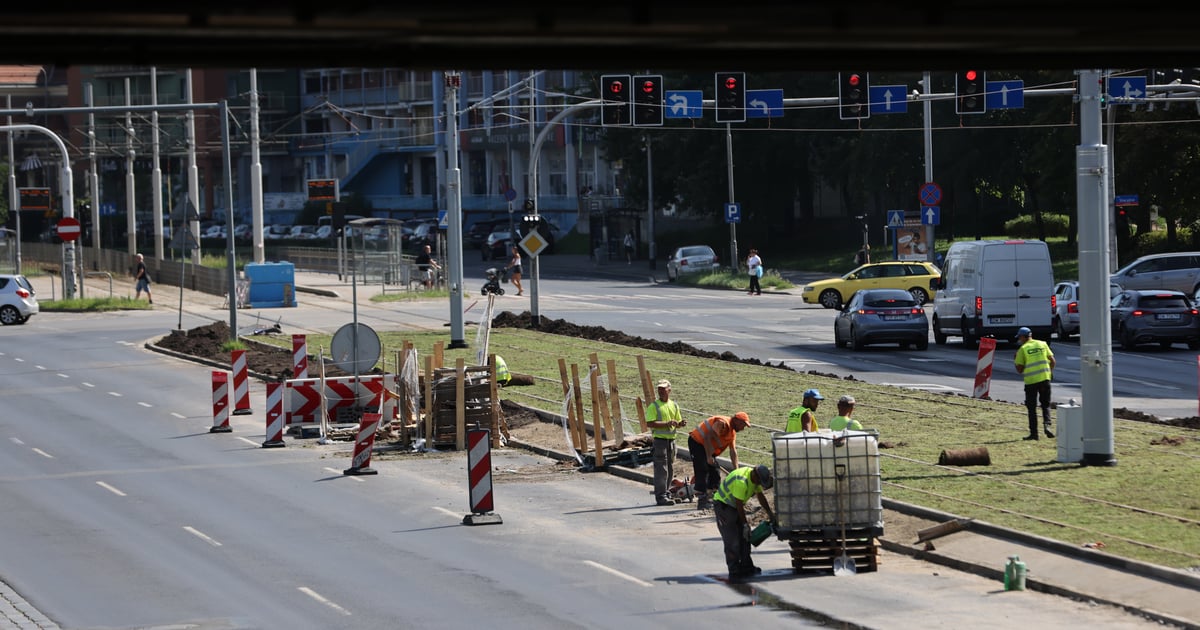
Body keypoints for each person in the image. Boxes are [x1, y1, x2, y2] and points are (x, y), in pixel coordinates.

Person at [713, 464, 775, 580]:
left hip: (734, 507)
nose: (759, 484)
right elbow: (739, 505)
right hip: (724, 507)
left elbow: (761, 497)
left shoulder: (754, 479)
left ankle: (746, 566)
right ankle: (734, 570)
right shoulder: (741, 481)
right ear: (755, 475)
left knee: (745, 537)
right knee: (732, 540)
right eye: (759, 482)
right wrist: (745, 524)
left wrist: (770, 514)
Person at [688, 411, 751, 510]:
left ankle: (713, 497)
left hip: (708, 447)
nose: (743, 428)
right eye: (743, 425)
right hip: (697, 442)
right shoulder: (722, 423)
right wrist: (709, 457)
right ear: (736, 421)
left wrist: (736, 471)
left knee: (715, 472)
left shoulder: (732, 433)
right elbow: (708, 437)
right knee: (702, 469)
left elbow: (733, 451)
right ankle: (702, 501)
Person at [646, 379, 685, 506]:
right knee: (661, 469)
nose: (661, 391)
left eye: (663, 389)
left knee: (670, 468)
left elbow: (677, 423)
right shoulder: (654, 406)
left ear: (669, 390)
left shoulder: (674, 405)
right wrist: (666, 424)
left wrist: (680, 424)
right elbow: (650, 423)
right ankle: (661, 496)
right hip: (660, 442)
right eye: (659, 389)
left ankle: (666, 493)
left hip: (671, 441)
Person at [1014, 326, 1056, 440]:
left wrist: (1015, 360)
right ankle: (1047, 426)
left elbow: (1020, 370)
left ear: (1023, 337)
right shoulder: (1043, 344)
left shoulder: (1022, 349)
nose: (1019, 340)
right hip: (1045, 379)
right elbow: (1052, 361)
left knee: (1031, 408)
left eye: (1019, 338)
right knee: (1045, 404)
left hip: (1031, 382)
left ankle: (1034, 434)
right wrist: (1050, 373)